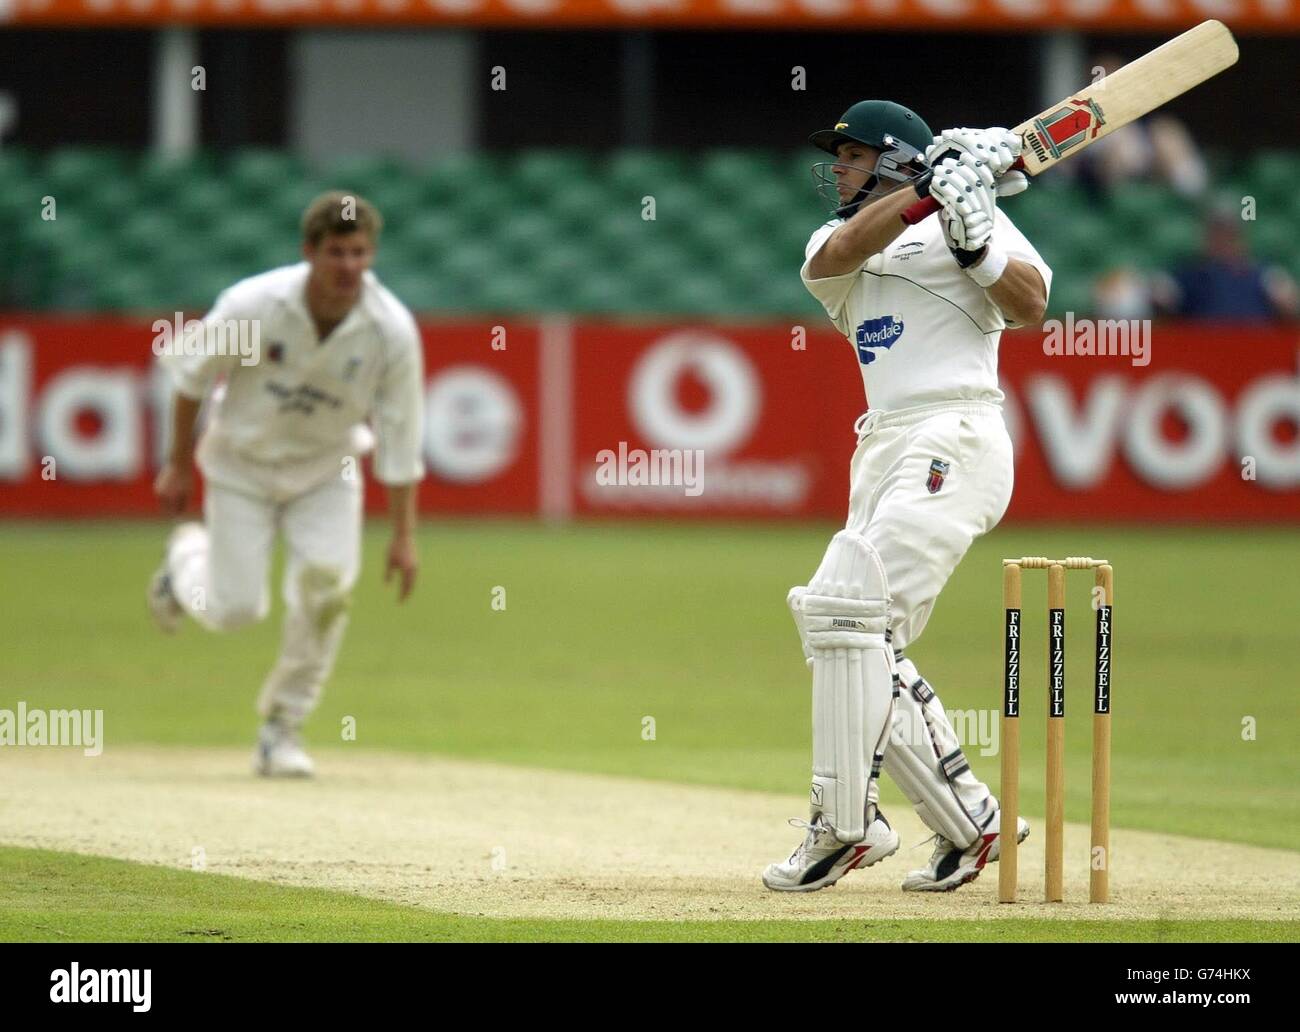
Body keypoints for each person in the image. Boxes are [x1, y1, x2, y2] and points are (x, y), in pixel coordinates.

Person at [763, 101, 1046, 893]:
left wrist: (975, 237)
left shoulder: (974, 219)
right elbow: (839, 253)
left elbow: (1030, 305)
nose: (840, 171)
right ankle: (971, 824)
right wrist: (931, 191)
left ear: (890, 157)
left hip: (955, 432)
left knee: (849, 618)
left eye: (852, 156)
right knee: (847, 631)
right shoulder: (842, 239)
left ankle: (847, 824)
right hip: (883, 442)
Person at [148, 191, 426, 777]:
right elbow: (190, 377)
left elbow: (402, 438)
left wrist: (403, 537)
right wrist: (176, 464)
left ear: (371, 255)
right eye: (336, 253)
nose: (348, 267)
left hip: (327, 471)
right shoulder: (256, 305)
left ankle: (282, 730)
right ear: (309, 252)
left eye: (359, 253)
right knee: (234, 610)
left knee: (325, 596)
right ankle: (183, 567)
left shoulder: (390, 331)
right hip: (242, 464)